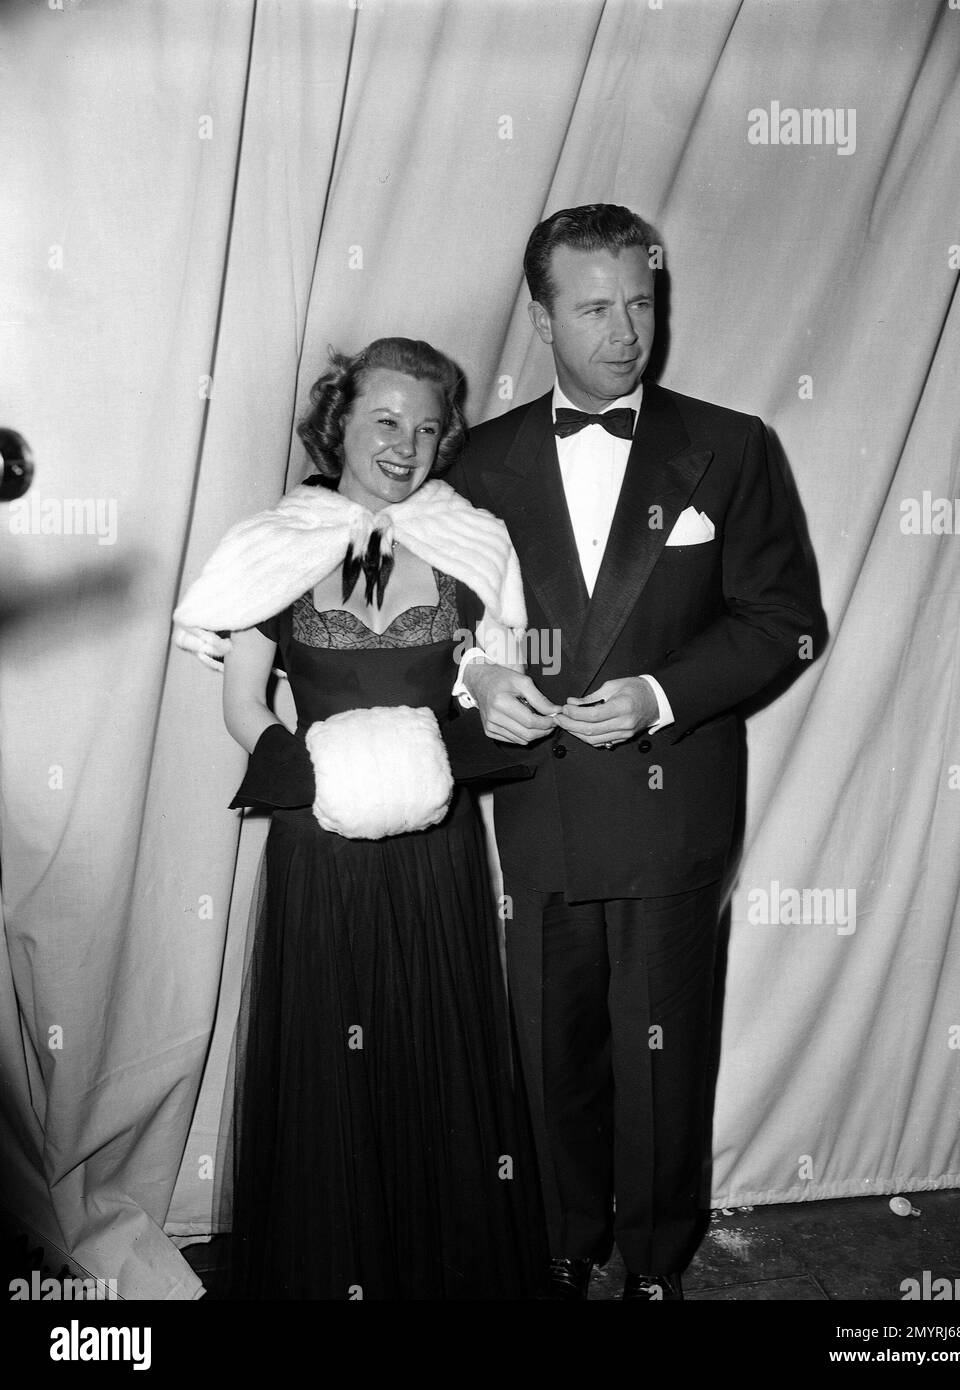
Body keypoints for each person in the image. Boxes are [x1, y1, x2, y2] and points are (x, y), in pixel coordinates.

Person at [451, 205, 824, 1299]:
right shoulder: (477, 460)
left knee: (662, 1055)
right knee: (548, 1048)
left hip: (674, 811)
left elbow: (785, 618)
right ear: (540, 317)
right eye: (596, 306)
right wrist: (480, 679)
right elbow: (445, 624)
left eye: (643, 303)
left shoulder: (734, 444)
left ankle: (658, 1263)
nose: (627, 331)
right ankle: (565, 1242)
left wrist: (661, 692)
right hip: (541, 806)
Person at [173, 337, 546, 1299]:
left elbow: (481, 680)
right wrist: (303, 774)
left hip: (438, 845)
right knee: (330, 1067)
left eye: (427, 429)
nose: (406, 445)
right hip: (320, 838)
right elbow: (243, 703)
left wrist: (493, 701)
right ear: (338, 419)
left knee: (436, 1058)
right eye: (386, 419)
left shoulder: (468, 539)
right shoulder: (274, 544)